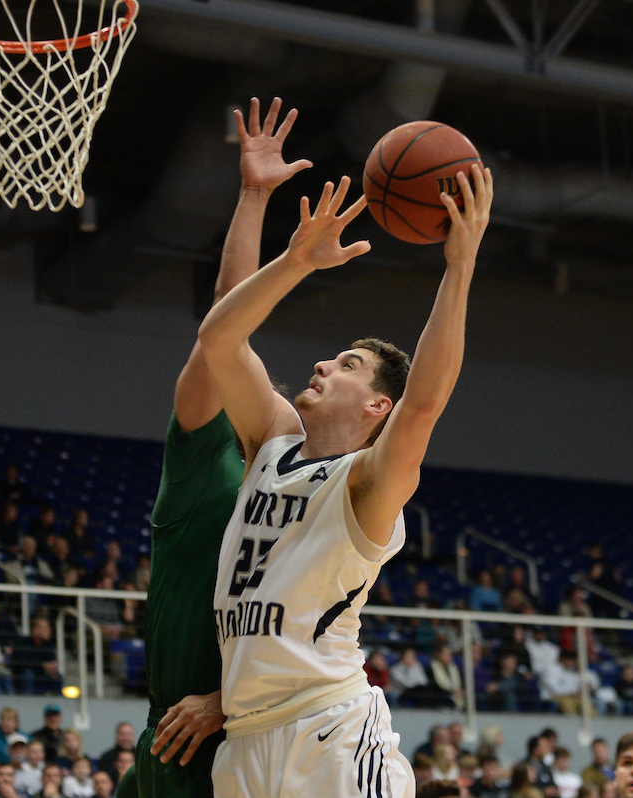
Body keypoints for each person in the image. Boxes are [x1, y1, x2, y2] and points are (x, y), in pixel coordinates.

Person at [193, 145, 490, 798]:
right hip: (245, 739)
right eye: (332, 358)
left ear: (378, 406)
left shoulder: (367, 483)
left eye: (348, 365)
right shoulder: (270, 440)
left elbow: (426, 404)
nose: (324, 366)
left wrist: (460, 265)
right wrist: (292, 257)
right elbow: (219, 339)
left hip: (329, 729)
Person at [129, 97, 311, 798]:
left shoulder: (304, 505)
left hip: (261, 740)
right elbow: (225, 322)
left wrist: (230, 704)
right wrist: (255, 196)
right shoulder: (205, 466)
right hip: (182, 743)